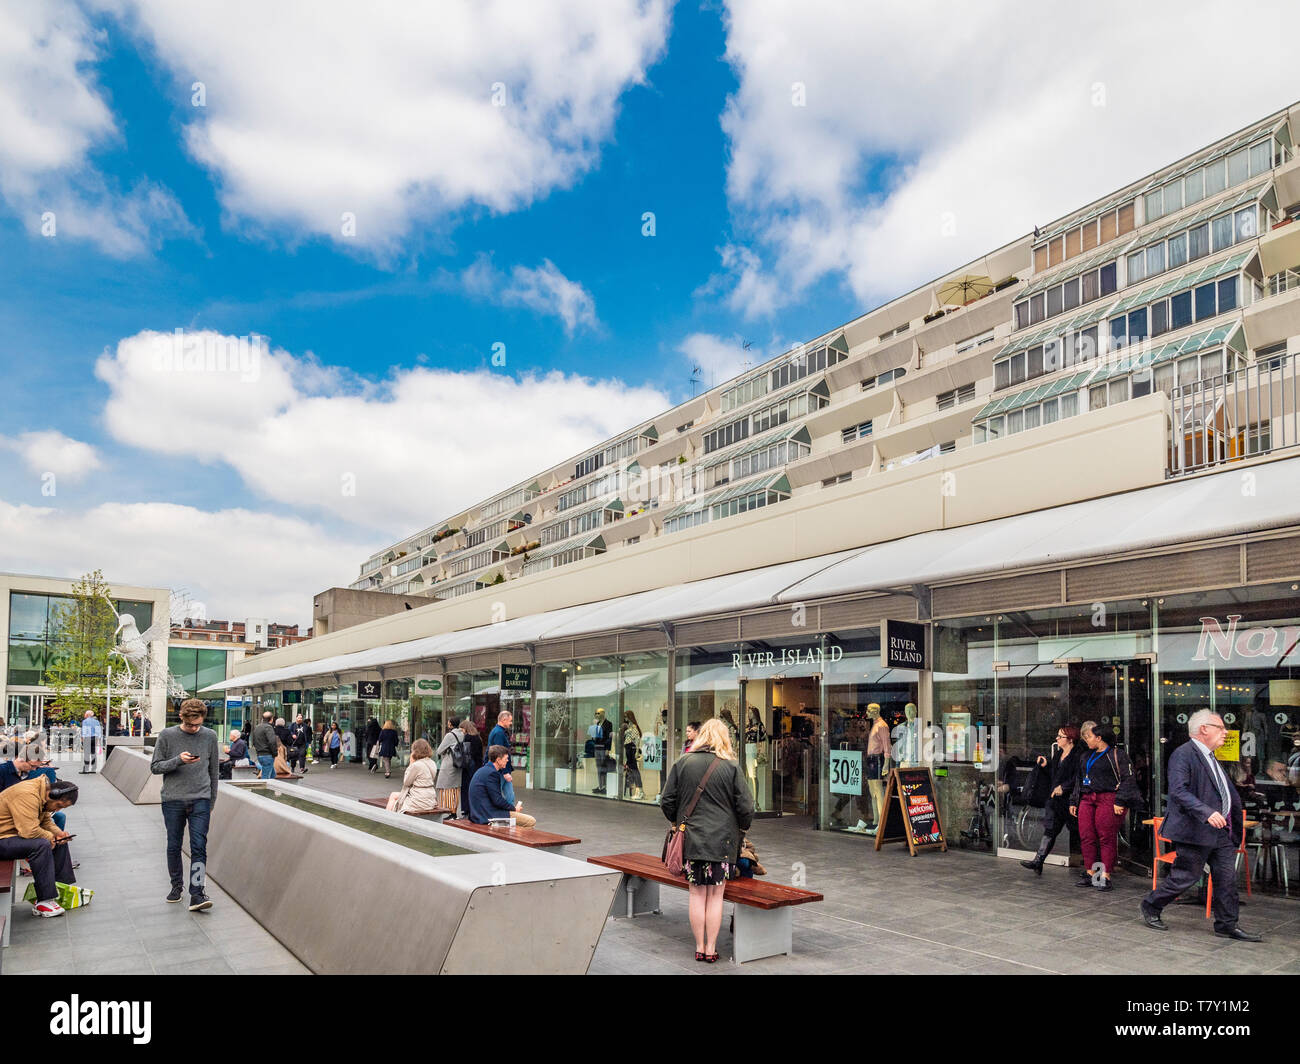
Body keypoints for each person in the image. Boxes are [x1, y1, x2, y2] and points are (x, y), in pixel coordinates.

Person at [1141, 710, 1261, 941]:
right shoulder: (1183, 754)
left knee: (1226, 880)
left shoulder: (1212, 757)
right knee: (1185, 876)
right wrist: (1206, 812)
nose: (1226, 732)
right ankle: (1151, 905)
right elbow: (1178, 791)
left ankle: (1227, 924)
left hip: (1221, 833)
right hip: (1196, 830)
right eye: (1220, 727)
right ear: (1204, 729)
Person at [660, 718, 755, 963]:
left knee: (696, 893)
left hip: (691, 839)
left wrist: (678, 821)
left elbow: (667, 800)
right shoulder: (731, 767)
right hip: (722, 843)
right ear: (724, 738)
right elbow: (746, 808)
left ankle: (698, 946)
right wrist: (740, 829)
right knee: (715, 895)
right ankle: (711, 949)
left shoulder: (683, 763)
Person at [151, 698, 219, 911]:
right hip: (173, 799)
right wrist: (178, 760)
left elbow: (214, 771)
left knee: (199, 847)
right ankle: (176, 886)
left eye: (198, 724)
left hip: (201, 799)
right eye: (190, 725)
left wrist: (211, 800)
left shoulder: (210, 736)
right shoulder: (167, 736)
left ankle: (197, 893)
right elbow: (155, 767)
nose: (194, 728)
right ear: (181, 716)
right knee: (174, 845)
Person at [1069, 721, 1142, 891]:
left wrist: (1120, 800)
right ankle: (1091, 873)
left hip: (1108, 797)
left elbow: (1128, 779)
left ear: (1099, 738)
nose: (1086, 740)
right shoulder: (1086, 756)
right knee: (1087, 835)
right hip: (1088, 798)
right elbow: (1079, 781)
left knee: (1105, 836)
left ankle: (1105, 875)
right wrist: (1074, 801)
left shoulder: (1118, 754)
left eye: (1089, 737)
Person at [0, 777, 79, 917]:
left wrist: (59, 834)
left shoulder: (42, 794)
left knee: (60, 841)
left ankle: (60, 888)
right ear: (53, 794)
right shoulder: (27, 794)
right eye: (59, 805)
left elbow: (46, 821)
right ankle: (44, 900)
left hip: (10, 836)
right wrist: (51, 837)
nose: (58, 809)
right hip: (3, 838)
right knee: (41, 844)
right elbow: (29, 831)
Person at [1022, 724, 1082, 875]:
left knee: (1079, 831)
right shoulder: (1058, 755)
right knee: (1050, 830)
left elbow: (1078, 777)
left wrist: (1064, 787)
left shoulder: (1078, 756)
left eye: (1060, 736)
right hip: (1055, 801)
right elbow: (1053, 774)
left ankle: (1090, 865)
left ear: (1070, 739)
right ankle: (1038, 860)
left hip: (1070, 801)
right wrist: (1045, 765)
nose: (1057, 739)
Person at [468, 745, 536, 828]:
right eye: (506, 758)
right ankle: (514, 839)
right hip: (488, 816)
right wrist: (514, 809)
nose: (507, 761)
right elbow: (497, 800)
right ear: (498, 760)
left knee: (519, 821)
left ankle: (513, 836)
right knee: (530, 821)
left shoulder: (483, 770)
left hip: (479, 814)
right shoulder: (492, 774)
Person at [386, 738, 442, 814]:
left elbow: (406, 782)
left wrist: (411, 764)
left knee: (393, 796)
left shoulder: (416, 765)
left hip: (418, 800)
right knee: (395, 796)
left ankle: (387, 818)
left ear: (415, 751)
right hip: (431, 799)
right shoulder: (432, 763)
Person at [434, 717, 466, 816]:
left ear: (451, 724)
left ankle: (450, 813)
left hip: (449, 764)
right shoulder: (462, 734)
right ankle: (454, 812)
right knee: (455, 788)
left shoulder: (450, 735)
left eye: (448, 722)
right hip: (459, 763)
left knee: (447, 787)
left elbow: (439, 750)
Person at [488, 711, 517, 805]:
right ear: (504, 720)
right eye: (510, 721)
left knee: (510, 796)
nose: (511, 723)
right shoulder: (499, 733)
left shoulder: (500, 732)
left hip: (503, 770)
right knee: (498, 796)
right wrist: (504, 772)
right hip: (500, 770)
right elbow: (499, 754)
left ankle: (510, 816)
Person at [458, 720, 482, 819]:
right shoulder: (478, 738)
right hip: (477, 766)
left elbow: (465, 752)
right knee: (473, 788)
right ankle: (474, 809)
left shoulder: (467, 737)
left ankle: (465, 809)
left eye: (462, 729)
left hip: (469, 765)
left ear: (465, 728)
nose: (461, 731)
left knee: (465, 787)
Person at [588, 708, 613, 794]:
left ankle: (605, 786)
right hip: (597, 747)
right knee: (598, 768)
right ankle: (600, 786)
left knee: (603, 768)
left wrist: (608, 749)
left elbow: (609, 737)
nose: (596, 715)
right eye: (595, 713)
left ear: (603, 713)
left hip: (603, 748)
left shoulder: (609, 724)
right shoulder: (598, 724)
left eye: (598, 713)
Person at [623, 711, 644, 800]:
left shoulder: (634, 727)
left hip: (631, 749)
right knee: (631, 770)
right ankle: (634, 790)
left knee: (635, 770)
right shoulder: (629, 727)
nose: (625, 718)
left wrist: (636, 752)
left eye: (626, 716)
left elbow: (637, 739)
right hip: (628, 749)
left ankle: (640, 791)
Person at [250, 711, 278, 780]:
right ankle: (264, 790)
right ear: (271, 719)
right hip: (268, 755)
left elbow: (253, 741)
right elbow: (272, 741)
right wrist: (275, 753)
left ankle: (272, 789)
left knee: (272, 775)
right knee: (266, 778)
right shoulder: (268, 727)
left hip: (260, 755)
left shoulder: (257, 727)